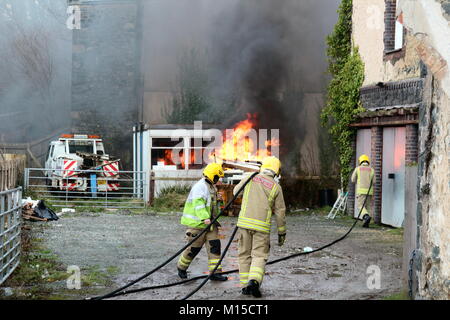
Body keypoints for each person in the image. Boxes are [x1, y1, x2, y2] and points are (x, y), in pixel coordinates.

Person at [233, 156, 286, 297]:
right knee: (259, 255)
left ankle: (245, 286)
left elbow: (235, 192)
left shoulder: (250, 177)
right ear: (276, 171)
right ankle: (254, 282)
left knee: (243, 254)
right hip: (262, 227)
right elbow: (280, 212)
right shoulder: (276, 187)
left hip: (244, 224)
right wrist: (281, 233)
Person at [176, 162, 228, 281]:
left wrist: (220, 201)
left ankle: (215, 272)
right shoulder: (200, 186)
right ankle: (181, 268)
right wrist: (205, 218)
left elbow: (213, 206)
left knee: (214, 247)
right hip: (198, 225)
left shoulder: (211, 187)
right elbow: (198, 204)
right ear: (211, 175)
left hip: (211, 225)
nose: (218, 179)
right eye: (217, 177)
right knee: (193, 249)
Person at [351, 154, 375, 228]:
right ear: (368, 161)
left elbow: (353, 179)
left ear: (360, 161)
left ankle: (365, 216)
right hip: (369, 191)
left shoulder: (358, 169)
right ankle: (366, 223)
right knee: (368, 206)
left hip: (361, 191)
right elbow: (374, 182)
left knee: (360, 205)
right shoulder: (372, 169)